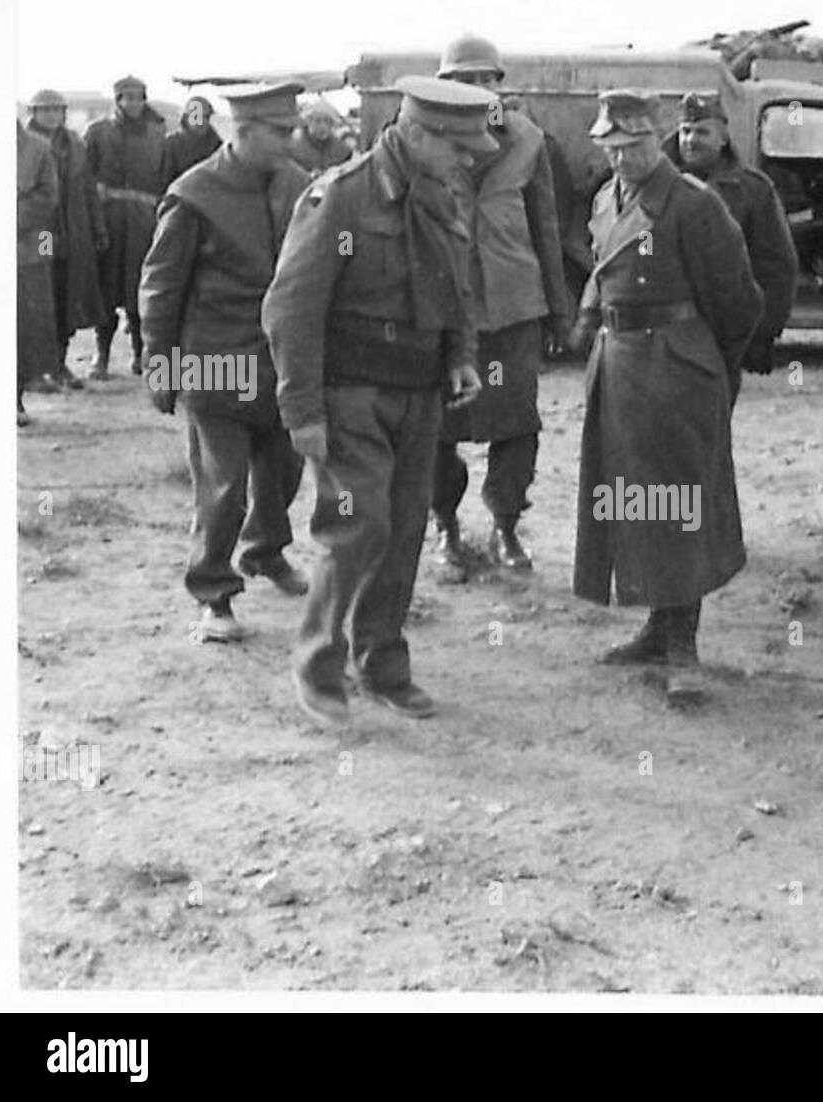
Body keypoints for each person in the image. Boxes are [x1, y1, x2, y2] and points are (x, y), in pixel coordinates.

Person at [263, 76, 492, 726]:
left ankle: (383, 666)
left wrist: (461, 356)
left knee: (404, 529)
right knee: (356, 527)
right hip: (349, 392)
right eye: (458, 145)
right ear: (416, 133)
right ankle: (319, 667)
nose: (468, 157)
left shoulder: (442, 195)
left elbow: (457, 283)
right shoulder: (340, 197)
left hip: (419, 392)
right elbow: (290, 308)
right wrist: (302, 410)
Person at [569, 90, 763, 704]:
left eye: (634, 146)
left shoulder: (692, 206)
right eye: (612, 148)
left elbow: (738, 304)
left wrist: (710, 369)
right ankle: (657, 627)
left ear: (661, 142)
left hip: (675, 368)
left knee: (679, 503)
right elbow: (601, 278)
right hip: (621, 366)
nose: (623, 159)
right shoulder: (606, 200)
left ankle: (685, 647)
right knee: (636, 502)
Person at [139, 83, 313, 643]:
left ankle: (265, 552)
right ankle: (214, 593)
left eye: (292, 130)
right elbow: (161, 287)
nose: (292, 141)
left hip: (278, 363)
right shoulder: (193, 194)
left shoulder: (299, 184)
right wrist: (160, 367)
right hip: (211, 364)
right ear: (243, 132)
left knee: (285, 471)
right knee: (223, 487)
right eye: (279, 133)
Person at [431, 33, 570, 576]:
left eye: (487, 79)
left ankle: (506, 528)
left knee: (516, 424)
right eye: (465, 81)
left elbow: (547, 227)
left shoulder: (530, 141)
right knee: (439, 430)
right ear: (446, 89)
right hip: (446, 313)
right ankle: (446, 528)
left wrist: (557, 310)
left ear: (499, 86)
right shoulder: (421, 141)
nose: (478, 89)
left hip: (514, 309)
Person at [667, 91, 797, 382]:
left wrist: (762, 332)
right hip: (665, 330)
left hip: (720, 329)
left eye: (702, 131)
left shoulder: (753, 191)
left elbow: (775, 265)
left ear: (723, 137)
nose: (690, 140)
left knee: (710, 421)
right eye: (685, 131)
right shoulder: (658, 187)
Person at [25, 88, 109, 391]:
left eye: (55, 110)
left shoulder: (74, 144)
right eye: (44, 110)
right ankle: (36, 371)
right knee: (40, 295)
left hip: (73, 230)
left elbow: (88, 189)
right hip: (41, 231)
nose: (50, 115)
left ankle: (60, 364)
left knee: (66, 294)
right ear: (33, 114)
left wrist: (98, 229)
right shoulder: (23, 145)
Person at [85, 75, 167, 378]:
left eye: (138, 97)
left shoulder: (158, 134)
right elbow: (85, 177)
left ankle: (138, 354)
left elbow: (164, 177)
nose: (133, 103)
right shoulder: (97, 132)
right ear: (117, 100)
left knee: (140, 290)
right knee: (106, 290)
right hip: (108, 220)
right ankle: (102, 354)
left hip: (144, 223)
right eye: (127, 97)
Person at [17, 122, 60, 427]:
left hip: (29, 248)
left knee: (23, 327)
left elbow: (48, 196)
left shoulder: (39, 147)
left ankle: (15, 397)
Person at [160, 95, 222, 187]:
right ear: (186, 118)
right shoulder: (172, 142)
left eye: (206, 117)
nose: (201, 121)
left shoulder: (217, 145)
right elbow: (165, 178)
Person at [286, 99, 351, 176]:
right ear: (308, 121)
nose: (323, 126)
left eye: (327, 121)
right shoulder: (294, 146)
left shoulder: (339, 147)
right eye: (317, 121)